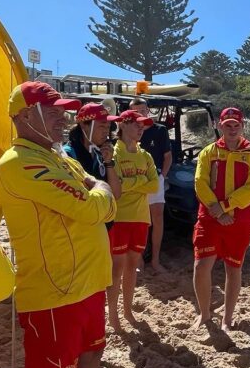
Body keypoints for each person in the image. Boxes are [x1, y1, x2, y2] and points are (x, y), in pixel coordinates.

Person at [0, 82, 116, 368]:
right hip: (53, 293)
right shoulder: (20, 163)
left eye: (62, 111)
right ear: (24, 116)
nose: (63, 118)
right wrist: (99, 189)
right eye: (52, 111)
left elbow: (103, 203)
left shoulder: (59, 157)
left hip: (88, 283)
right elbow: (94, 207)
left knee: (92, 353)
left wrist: (97, 191)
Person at [192, 107, 250, 331]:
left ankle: (227, 319)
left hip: (238, 222)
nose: (232, 129)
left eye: (236, 125)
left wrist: (224, 207)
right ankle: (204, 314)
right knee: (201, 266)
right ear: (219, 126)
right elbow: (200, 182)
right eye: (227, 125)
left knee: (233, 269)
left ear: (242, 127)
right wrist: (217, 211)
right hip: (210, 219)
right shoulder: (209, 152)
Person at [107, 109, 159, 332]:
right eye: (136, 123)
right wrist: (140, 181)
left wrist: (130, 183)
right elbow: (116, 186)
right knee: (116, 269)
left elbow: (154, 185)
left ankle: (127, 311)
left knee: (132, 266)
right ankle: (113, 315)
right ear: (122, 124)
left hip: (140, 218)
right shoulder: (114, 153)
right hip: (119, 218)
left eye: (143, 124)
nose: (141, 128)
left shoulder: (145, 155)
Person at [130, 97, 172, 272]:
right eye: (136, 111)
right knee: (139, 220)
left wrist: (162, 176)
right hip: (135, 181)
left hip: (155, 178)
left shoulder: (159, 130)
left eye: (143, 110)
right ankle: (139, 259)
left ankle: (155, 259)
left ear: (148, 111)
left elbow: (167, 156)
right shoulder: (129, 130)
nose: (140, 114)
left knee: (157, 218)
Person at [64, 103, 121, 197]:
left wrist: (109, 163)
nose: (106, 132)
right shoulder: (68, 154)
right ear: (84, 125)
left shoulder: (101, 154)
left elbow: (116, 194)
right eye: (102, 126)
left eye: (108, 127)